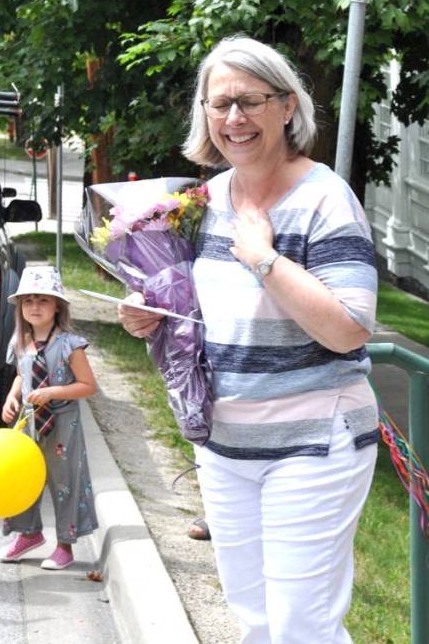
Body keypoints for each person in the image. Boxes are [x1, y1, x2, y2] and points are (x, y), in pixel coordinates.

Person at [118, 35, 379, 643]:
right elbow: (195, 307)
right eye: (219, 104)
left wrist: (264, 258)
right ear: (204, 114)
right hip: (225, 445)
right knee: (253, 617)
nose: (233, 118)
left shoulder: (324, 199)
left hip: (314, 442)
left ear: (287, 107)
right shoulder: (201, 202)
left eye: (250, 101)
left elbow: (349, 328)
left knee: (300, 625)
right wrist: (150, 311)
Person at [0, 265, 99, 570]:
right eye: (28, 301)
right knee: (23, 476)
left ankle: (65, 544)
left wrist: (53, 392)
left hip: (62, 425)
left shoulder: (70, 344)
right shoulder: (19, 342)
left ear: (58, 306)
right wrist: (11, 396)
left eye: (43, 300)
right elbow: (21, 374)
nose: (35, 307)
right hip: (29, 422)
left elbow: (88, 386)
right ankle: (28, 533)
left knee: (64, 480)